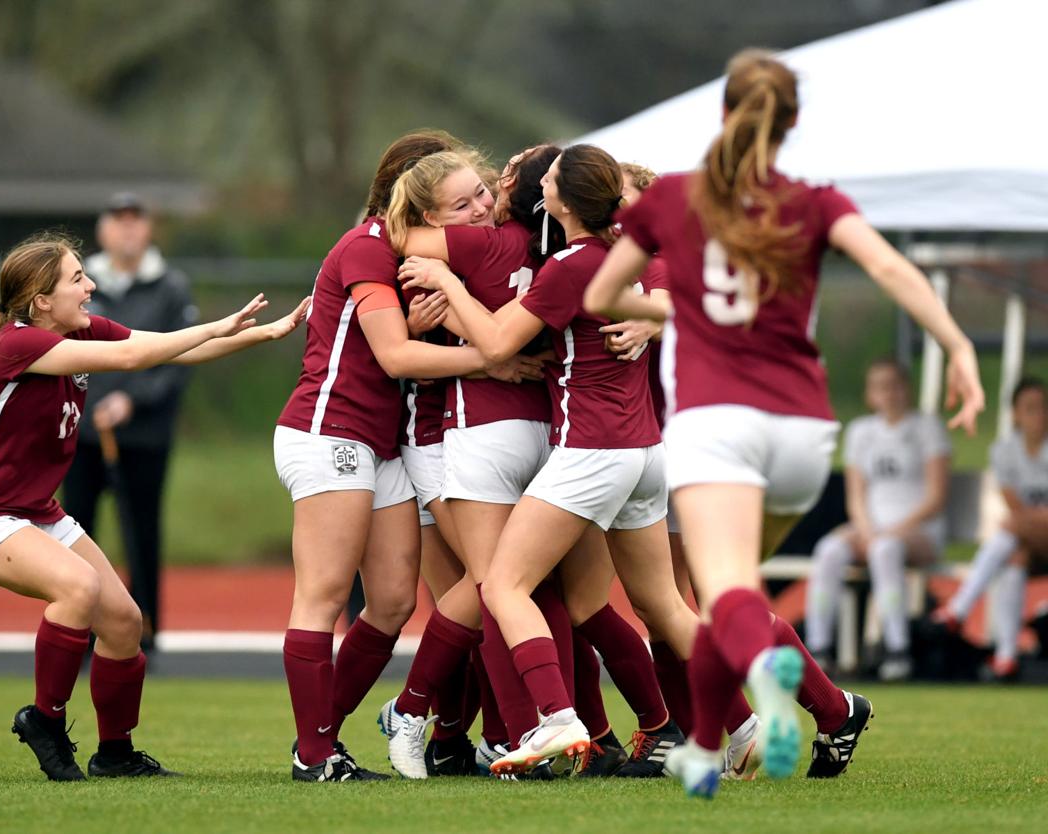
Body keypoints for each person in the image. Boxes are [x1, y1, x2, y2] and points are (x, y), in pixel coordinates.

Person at [583, 48, 984, 798]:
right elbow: (893, 270)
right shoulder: (816, 200)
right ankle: (711, 745)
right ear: (791, 124)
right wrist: (957, 344)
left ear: (724, 112)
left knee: (725, 593)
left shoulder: (672, 197)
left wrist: (668, 309)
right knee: (734, 596)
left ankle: (766, 684)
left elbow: (606, 292)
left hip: (716, 424)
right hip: (804, 432)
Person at [0, 233, 307, 782]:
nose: (90, 286)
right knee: (79, 590)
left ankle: (115, 754)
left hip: (36, 511)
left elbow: (166, 346)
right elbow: (136, 355)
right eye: (77, 279)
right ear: (40, 301)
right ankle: (45, 720)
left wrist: (261, 334)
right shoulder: (16, 345)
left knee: (124, 621)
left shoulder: (77, 330)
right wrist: (213, 324)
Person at [402, 145, 690, 777]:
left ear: (554, 199)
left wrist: (446, 285)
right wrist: (655, 317)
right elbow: (685, 286)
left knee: (501, 586)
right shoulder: (624, 254)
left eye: (507, 177)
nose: (492, 189)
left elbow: (406, 245)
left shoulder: (548, 258)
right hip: (640, 451)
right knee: (640, 606)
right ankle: (743, 721)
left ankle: (534, 723)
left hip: (579, 447)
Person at [274, 130, 521, 783]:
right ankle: (314, 753)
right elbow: (394, 356)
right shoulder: (368, 245)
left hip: (378, 442)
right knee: (324, 595)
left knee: (389, 603)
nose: (480, 207)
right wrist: (493, 353)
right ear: (421, 206)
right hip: (331, 431)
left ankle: (319, 737)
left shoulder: (424, 255)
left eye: (481, 195)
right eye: (461, 200)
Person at [62, 192, 195, 651]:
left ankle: (143, 631)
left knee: (142, 532)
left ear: (148, 229)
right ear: (103, 230)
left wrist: (130, 401)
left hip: (143, 438)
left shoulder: (170, 287)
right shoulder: (80, 285)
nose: (128, 229)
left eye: (136, 221)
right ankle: (76, 630)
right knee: (74, 533)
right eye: (118, 221)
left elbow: (177, 362)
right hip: (80, 436)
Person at [804, 358, 951, 681]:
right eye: (881, 387)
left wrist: (890, 532)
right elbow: (856, 495)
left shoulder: (927, 428)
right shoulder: (861, 431)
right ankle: (818, 650)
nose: (890, 394)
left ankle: (896, 650)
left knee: (885, 550)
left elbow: (936, 498)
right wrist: (867, 528)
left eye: (896, 385)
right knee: (828, 550)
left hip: (918, 530)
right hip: (872, 526)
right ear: (871, 395)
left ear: (907, 390)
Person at [936, 377, 1048, 680]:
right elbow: (1017, 509)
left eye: (1043, 408)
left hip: (1028, 533)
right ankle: (1007, 657)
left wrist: (1028, 520)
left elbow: (1019, 516)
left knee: (1009, 530)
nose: (1039, 415)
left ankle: (959, 608)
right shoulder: (1004, 451)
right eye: (1030, 409)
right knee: (1014, 559)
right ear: (1015, 414)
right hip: (1032, 543)